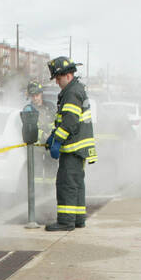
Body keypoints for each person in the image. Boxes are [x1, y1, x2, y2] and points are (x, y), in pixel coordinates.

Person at [44, 57, 96, 231]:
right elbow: (65, 119)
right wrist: (53, 135)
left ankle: (66, 221)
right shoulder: (76, 89)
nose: (57, 82)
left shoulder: (72, 92)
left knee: (66, 184)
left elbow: (70, 121)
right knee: (76, 184)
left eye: (58, 78)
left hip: (73, 148)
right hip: (79, 148)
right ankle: (78, 218)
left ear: (67, 75)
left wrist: (57, 141)